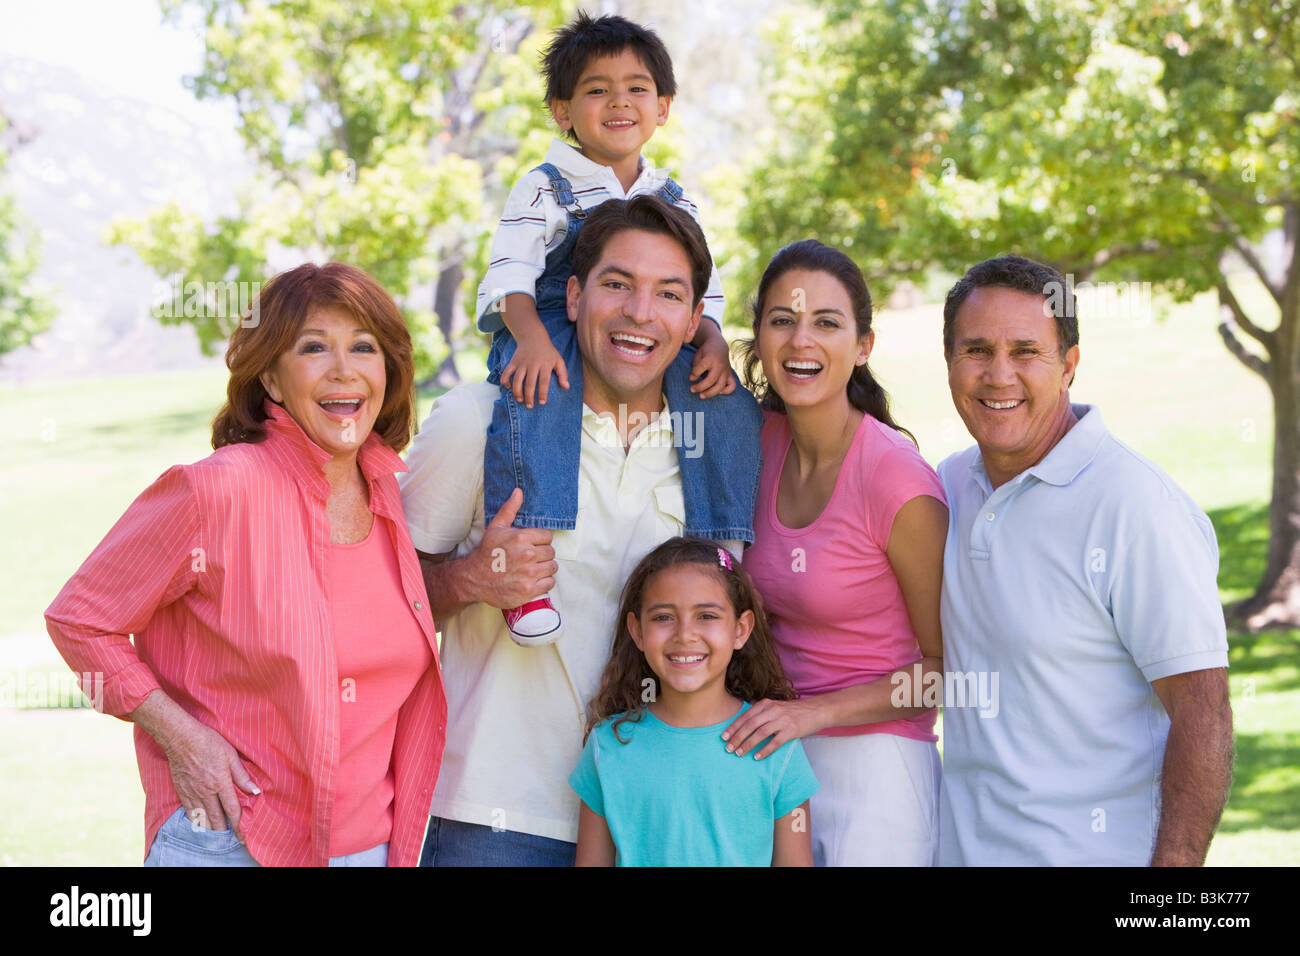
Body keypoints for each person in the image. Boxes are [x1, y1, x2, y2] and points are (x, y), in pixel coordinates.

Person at [44, 263, 448, 867]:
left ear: (387, 373)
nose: (344, 368)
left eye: (364, 347)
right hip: (232, 842)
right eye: (314, 347)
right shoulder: (215, 492)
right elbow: (80, 620)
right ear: (272, 380)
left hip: (374, 849)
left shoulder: (388, 490)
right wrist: (183, 739)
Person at [400, 195, 759, 866]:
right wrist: (467, 579)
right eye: (617, 284)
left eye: (668, 294)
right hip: (498, 817)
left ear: (691, 322)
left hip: (657, 823)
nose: (639, 313)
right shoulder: (479, 422)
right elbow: (369, 593)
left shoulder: (718, 453)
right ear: (572, 295)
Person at [936, 254, 1233, 866]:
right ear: (949, 364)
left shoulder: (1137, 507)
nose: (999, 375)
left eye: (1026, 351)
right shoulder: (944, 489)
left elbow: (1203, 711)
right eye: (976, 351)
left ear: (1069, 365)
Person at [475, 11, 758, 644]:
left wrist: (710, 340)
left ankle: (721, 549)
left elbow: (701, 292)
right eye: (596, 89)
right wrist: (533, 341)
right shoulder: (543, 188)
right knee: (543, 395)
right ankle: (526, 569)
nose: (618, 101)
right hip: (546, 320)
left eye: (636, 88)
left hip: (648, 327)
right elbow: (510, 280)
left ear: (662, 107)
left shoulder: (676, 196)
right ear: (562, 110)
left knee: (729, 404)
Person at [733, 239, 949, 866]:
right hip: (776, 765)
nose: (802, 342)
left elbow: (947, 671)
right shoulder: (755, 442)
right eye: (782, 321)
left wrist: (814, 713)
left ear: (862, 347)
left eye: (827, 323)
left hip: (878, 774)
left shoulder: (896, 480)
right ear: (758, 338)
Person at [570, 536, 818, 866]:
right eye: (663, 617)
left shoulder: (776, 747)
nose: (685, 634)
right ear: (638, 631)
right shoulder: (607, 746)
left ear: (740, 629)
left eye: (706, 616)